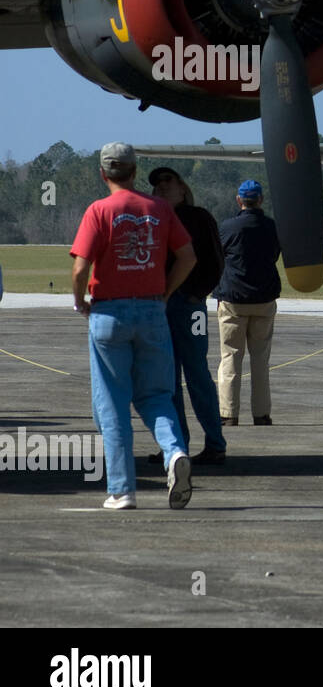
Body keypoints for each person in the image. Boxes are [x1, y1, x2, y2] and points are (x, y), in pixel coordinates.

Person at [69, 142, 195, 510]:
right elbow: (188, 257)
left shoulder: (99, 210)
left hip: (109, 313)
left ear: (104, 173)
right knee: (157, 396)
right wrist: (165, 292)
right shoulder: (158, 208)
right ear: (135, 171)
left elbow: (80, 268)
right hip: (153, 311)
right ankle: (174, 454)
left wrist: (80, 302)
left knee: (112, 404)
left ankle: (122, 489)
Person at [147, 167, 227, 466]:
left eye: (168, 182)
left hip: (189, 306)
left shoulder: (199, 217)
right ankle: (175, 445)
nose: (162, 187)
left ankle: (215, 443)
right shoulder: (153, 219)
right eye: (156, 185)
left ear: (182, 188)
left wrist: (197, 294)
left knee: (197, 375)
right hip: (159, 307)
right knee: (167, 379)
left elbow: (216, 261)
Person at [215, 179, 282, 426]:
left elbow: (218, 257)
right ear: (261, 200)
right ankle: (261, 414)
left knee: (230, 357)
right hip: (264, 299)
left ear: (239, 200)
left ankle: (229, 414)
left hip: (233, 298)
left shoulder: (227, 227)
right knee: (260, 360)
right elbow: (275, 255)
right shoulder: (271, 226)